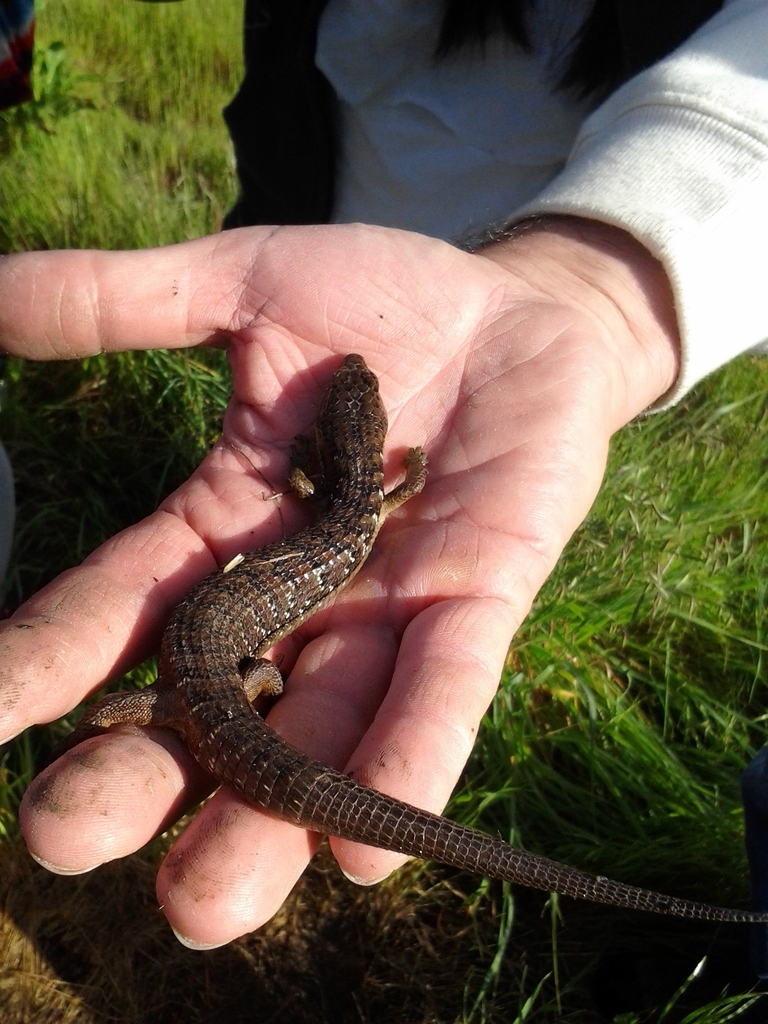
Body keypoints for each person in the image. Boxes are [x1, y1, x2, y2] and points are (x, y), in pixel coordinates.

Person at [0, 0, 766, 950]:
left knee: (138, 706)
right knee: (166, 711)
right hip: (216, 683)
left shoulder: (346, 502)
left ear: (328, 459)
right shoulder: (358, 504)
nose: (348, 382)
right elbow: (350, 505)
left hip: (213, 675)